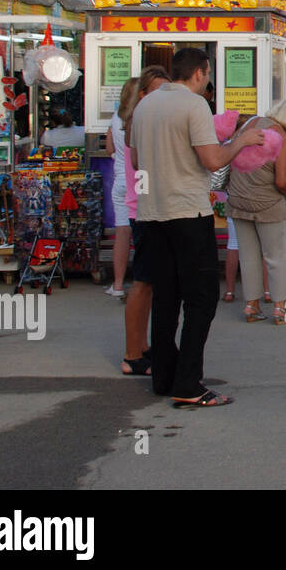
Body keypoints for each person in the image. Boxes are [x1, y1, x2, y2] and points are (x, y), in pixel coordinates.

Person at [131, 48, 263, 408]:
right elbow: (212, 159)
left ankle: (163, 376)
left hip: (151, 214)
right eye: (207, 75)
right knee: (201, 299)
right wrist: (242, 141)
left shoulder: (145, 105)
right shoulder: (193, 106)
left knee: (166, 298)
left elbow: (136, 160)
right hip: (188, 213)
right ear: (201, 73)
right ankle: (189, 384)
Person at [227, 99, 286, 325]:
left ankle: (252, 306)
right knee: (276, 257)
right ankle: (280, 309)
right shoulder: (281, 137)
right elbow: (281, 181)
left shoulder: (249, 124)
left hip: (239, 200)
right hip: (267, 204)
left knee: (249, 256)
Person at [120, 66, 170, 376]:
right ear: (142, 95)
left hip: (147, 208)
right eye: (158, 92)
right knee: (143, 282)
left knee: (149, 283)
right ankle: (132, 354)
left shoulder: (140, 121)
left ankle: (141, 346)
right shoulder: (138, 124)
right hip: (145, 210)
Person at [104, 77, 141, 297]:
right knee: (143, 234)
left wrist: (115, 157)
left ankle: (117, 284)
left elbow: (110, 146)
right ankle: (142, 283)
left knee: (122, 233)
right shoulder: (141, 117)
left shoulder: (116, 117)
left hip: (119, 181)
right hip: (138, 181)